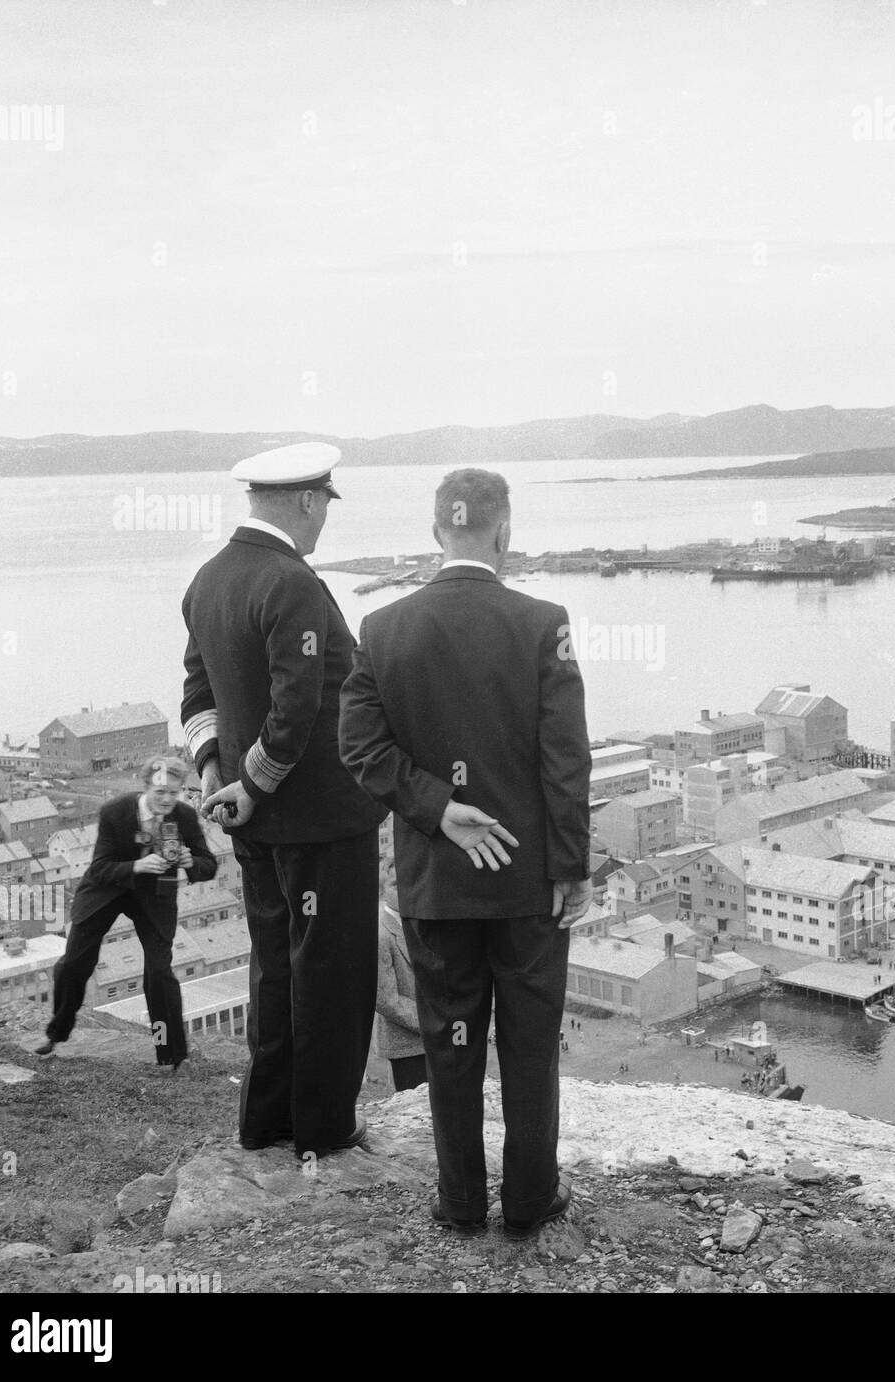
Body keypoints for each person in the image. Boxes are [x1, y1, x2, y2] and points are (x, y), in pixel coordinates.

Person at [182, 443, 511, 1159]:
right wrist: (256, 780)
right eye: (325, 505)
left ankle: (267, 1120)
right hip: (323, 820)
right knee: (332, 972)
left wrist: (215, 770)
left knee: (274, 966)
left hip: (252, 822)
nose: (324, 519)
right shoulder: (290, 583)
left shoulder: (209, 579)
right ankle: (326, 1128)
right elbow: (297, 708)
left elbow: (197, 692)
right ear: (306, 500)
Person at [340, 467, 591, 1239]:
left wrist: (438, 809)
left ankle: (459, 1203)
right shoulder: (543, 619)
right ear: (505, 530)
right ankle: (528, 1201)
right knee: (527, 1045)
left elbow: (359, 748)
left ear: (435, 532)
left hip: (436, 886)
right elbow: (565, 759)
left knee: (449, 1046)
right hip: (526, 886)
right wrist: (572, 867)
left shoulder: (383, 629)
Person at [35, 757, 215, 1069]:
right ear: (146, 787)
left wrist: (190, 862)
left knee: (159, 974)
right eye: (160, 792)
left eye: (175, 792)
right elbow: (100, 867)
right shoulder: (115, 811)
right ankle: (57, 1032)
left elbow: (208, 865)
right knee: (75, 963)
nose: (167, 800)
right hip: (108, 887)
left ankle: (171, 1056)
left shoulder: (184, 816)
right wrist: (138, 865)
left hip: (154, 894)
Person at [375, 899, 427, 1092]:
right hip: (405, 1045)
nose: (401, 890)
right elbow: (385, 999)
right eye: (394, 884)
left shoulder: (423, 921)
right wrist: (431, 1021)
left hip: (438, 1038)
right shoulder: (380, 933)